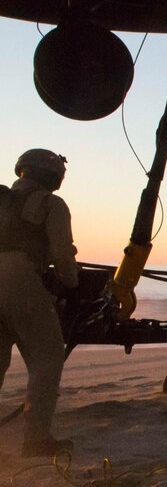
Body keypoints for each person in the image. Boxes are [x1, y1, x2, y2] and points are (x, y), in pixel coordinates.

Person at [0, 149, 79, 457]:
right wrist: (70, 283)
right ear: (55, 177)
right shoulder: (51, 203)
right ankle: (35, 440)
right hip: (19, 278)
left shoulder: (3, 201)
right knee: (47, 357)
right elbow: (62, 256)